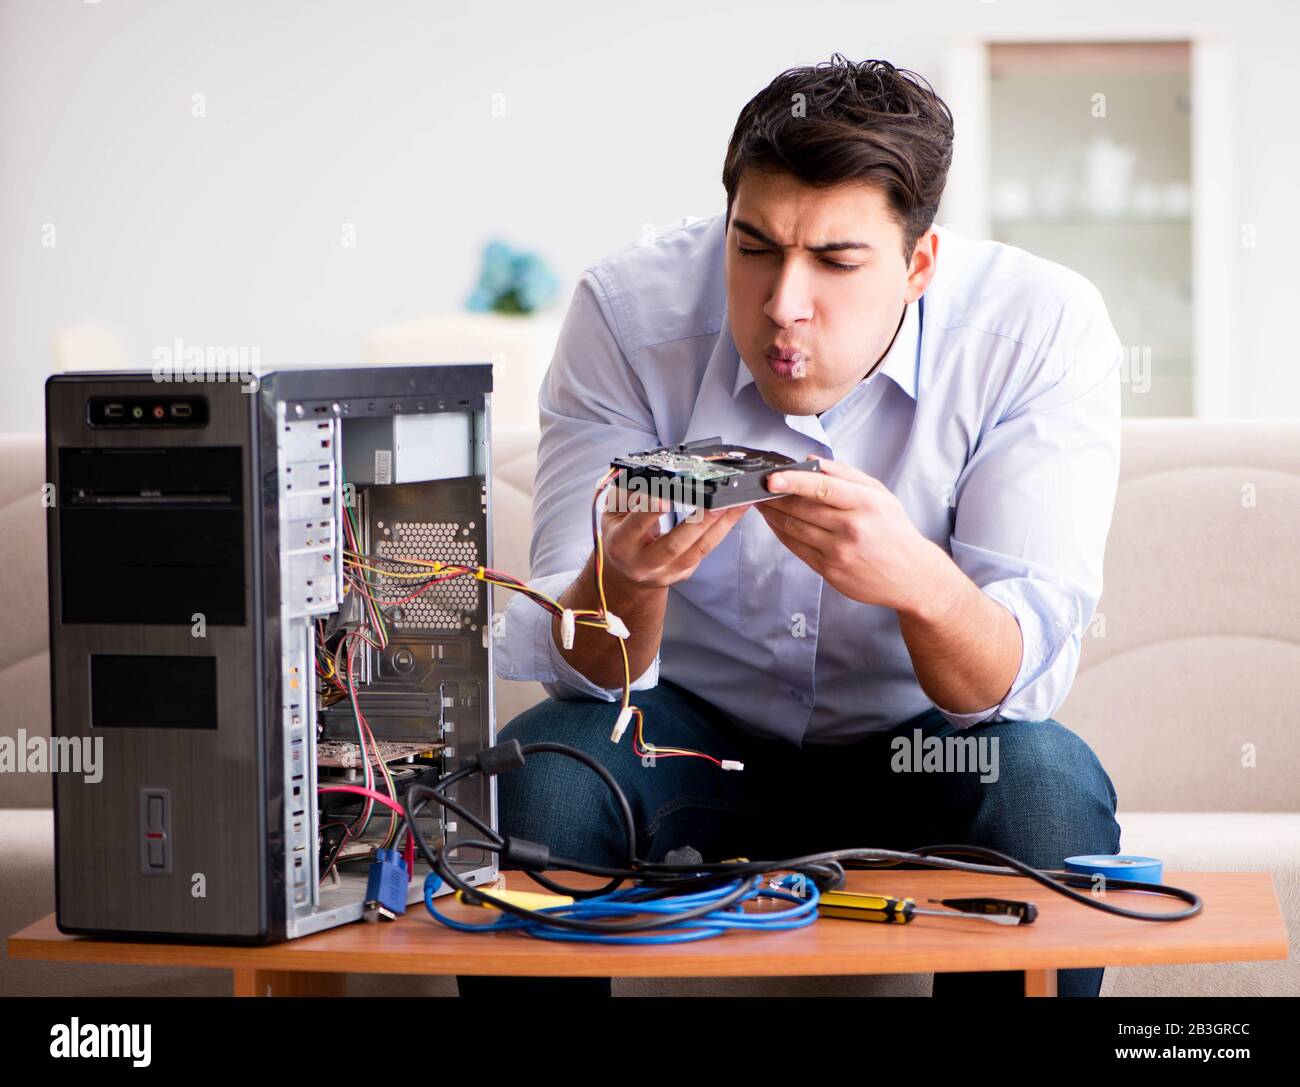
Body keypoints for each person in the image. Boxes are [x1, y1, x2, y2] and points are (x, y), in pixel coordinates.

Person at [460, 53, 1122, 999]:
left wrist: (916, 581)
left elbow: (1007, 684)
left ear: (919, 262)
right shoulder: (626, 315)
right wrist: (629, 582)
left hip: (921, 746)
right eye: (755, 247)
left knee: (1047, 784)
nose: (782, 305)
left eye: (838, 261)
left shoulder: (1041, 332)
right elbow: (584, 667)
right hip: (687, 740)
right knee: (548, 774)